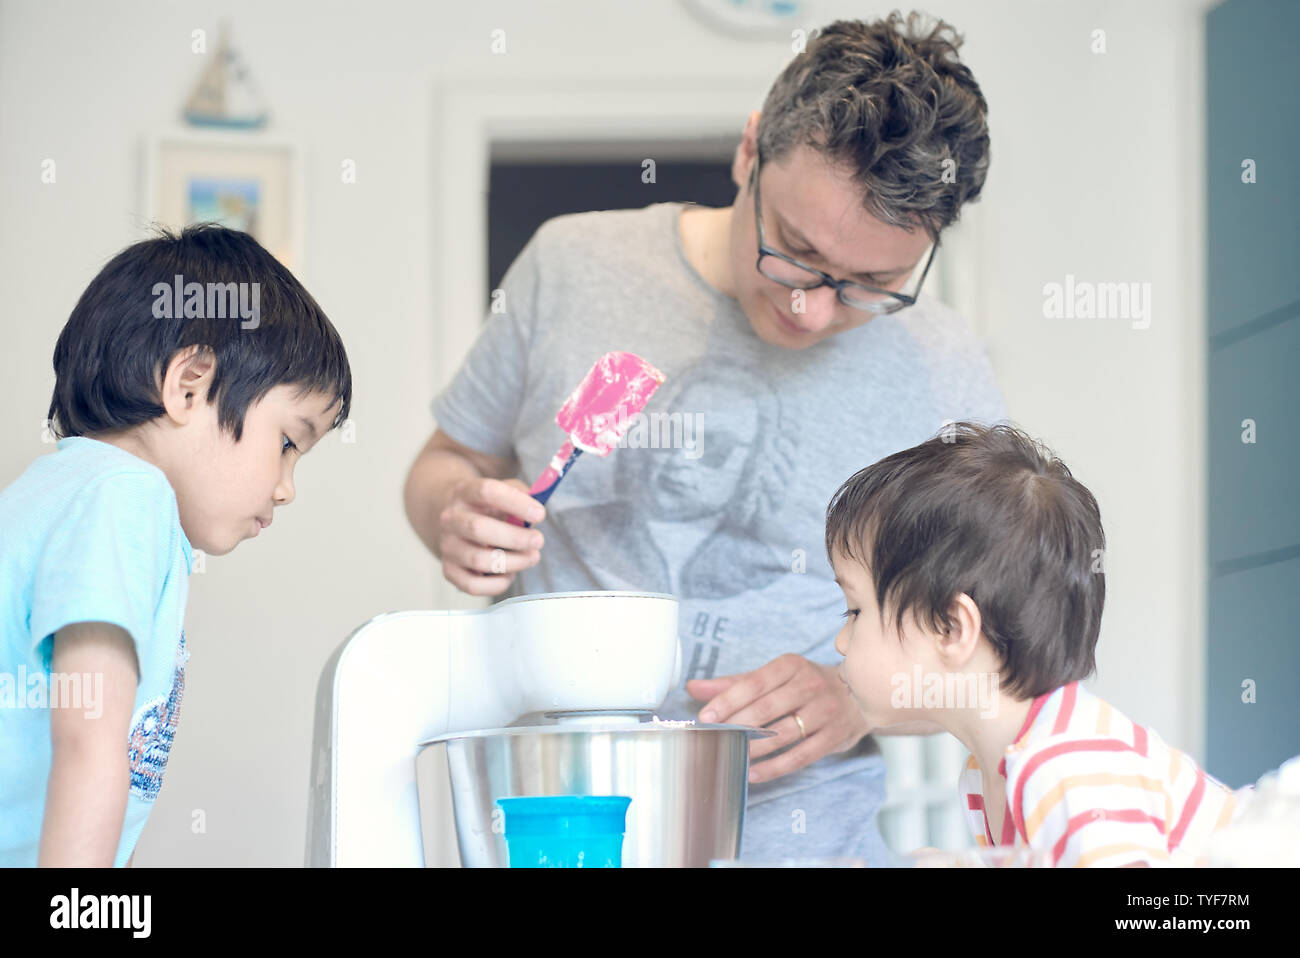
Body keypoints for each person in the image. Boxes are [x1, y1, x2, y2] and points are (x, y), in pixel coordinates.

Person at [405, 13, 1003, 862]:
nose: (812, 308)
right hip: (560, 829)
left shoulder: (945, 369)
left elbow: (1005, 649)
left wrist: (862, 701)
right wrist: (454, 513)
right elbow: (446, 464)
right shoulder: (571, 266)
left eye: (870, 285)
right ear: (750, 151)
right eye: (793, 251)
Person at [0, 224, 352, 867]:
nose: (286, 488)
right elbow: (89, 738)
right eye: (286, 443)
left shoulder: (65, 492)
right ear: (188, 385)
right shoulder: (123, 499)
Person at [827, 422, 1244, 866]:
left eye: (855, 611)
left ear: (951, 627)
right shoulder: (989, 770)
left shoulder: (1066, 766)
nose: (839, 641)